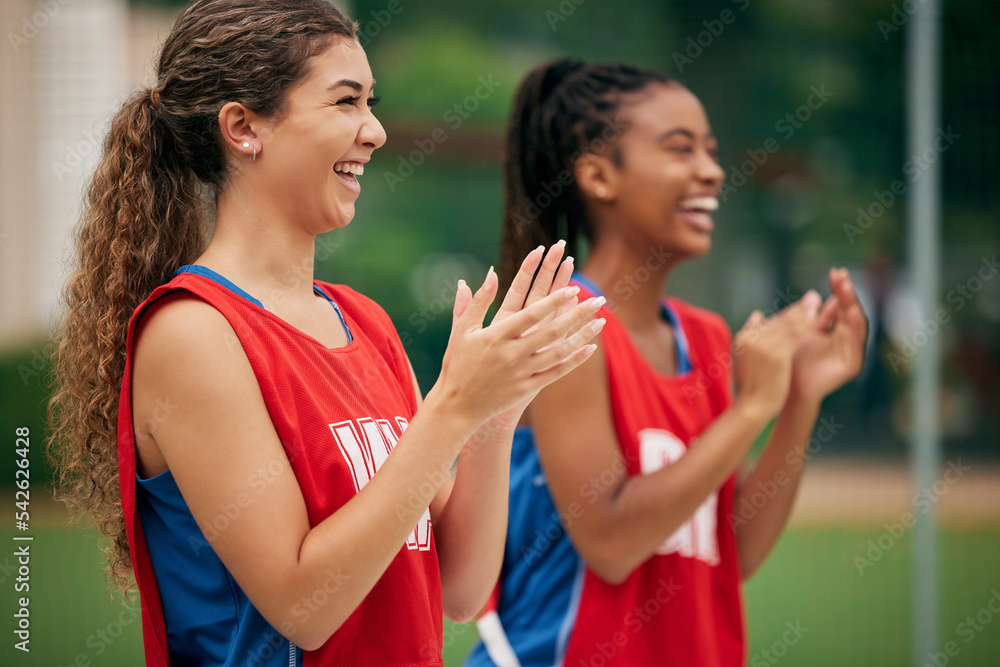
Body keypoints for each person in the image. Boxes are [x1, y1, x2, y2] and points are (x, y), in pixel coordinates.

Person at [45, 2, 604, 665]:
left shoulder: (364, 321)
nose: (376, 131)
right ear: (243, 127)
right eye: (346, 101)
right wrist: (451, 406)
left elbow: (460, 587)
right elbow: (303, 606)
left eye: (371, 102)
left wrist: (492, 413)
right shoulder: (193, 332)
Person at [465, 59, 869, 667]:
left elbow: (729, 551)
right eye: (680, 150)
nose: (711, 170)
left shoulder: (704, 338)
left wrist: (798, 401)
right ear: (599, 175)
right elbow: (611, 541)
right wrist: (753, 407)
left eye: (710, 150)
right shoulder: (564, 324)